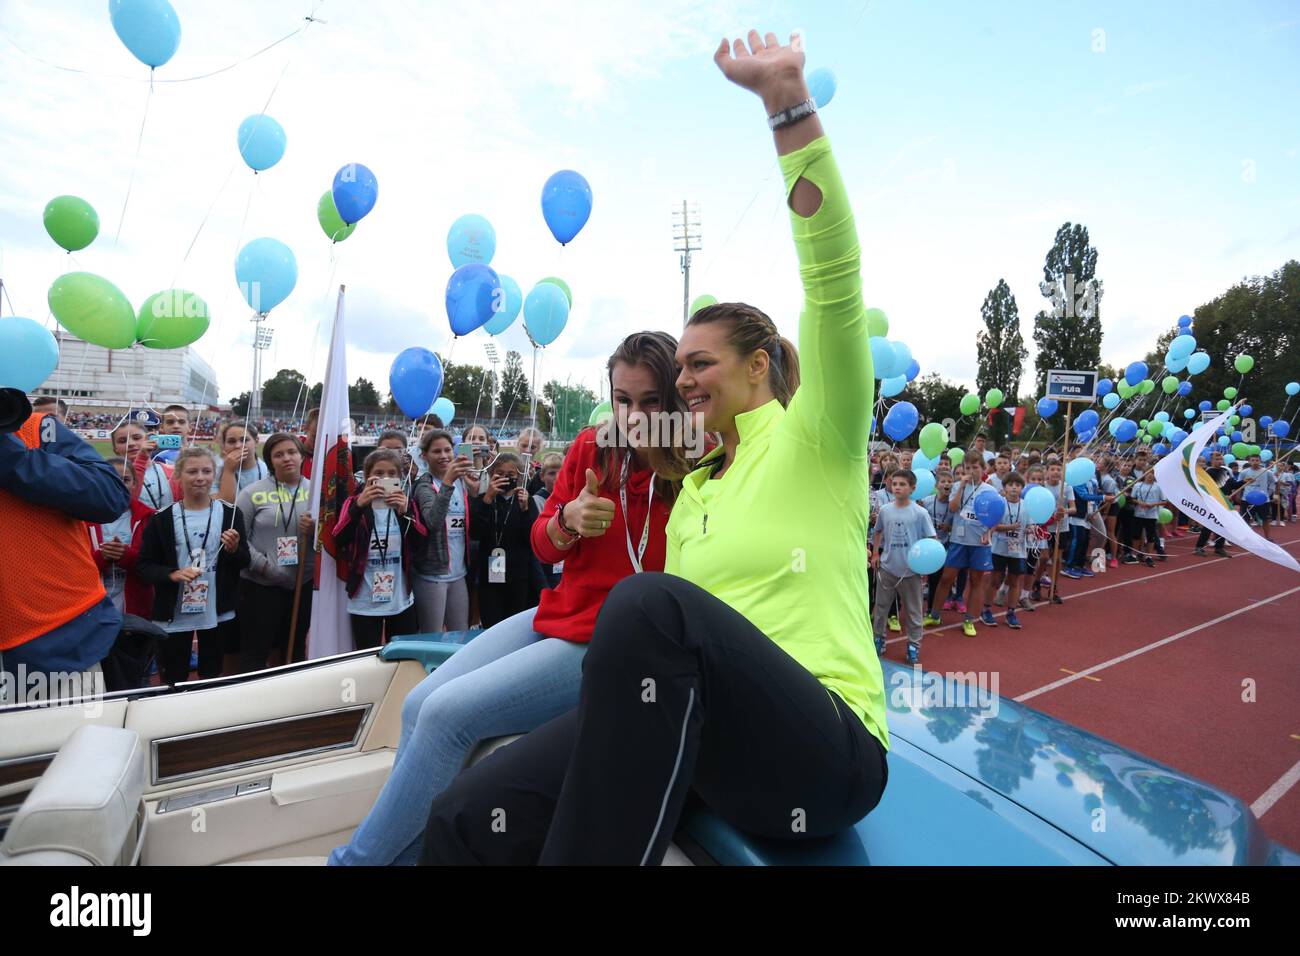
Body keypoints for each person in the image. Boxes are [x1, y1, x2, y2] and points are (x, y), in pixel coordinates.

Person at [420, 34, 888, 865]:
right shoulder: (697, 483)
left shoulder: (818, 438)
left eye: (699, 364)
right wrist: (566, 521)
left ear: (758, 365)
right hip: (707, 735)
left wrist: (788, 104)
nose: (686, 381)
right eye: (679, 370)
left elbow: (836, 278)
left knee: (648, 603)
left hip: (825, 758)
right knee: (466, 814)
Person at [330, 330, 688, 866]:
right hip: (562, 612)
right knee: (418, 704)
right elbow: (541, 540)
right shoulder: (592, 447)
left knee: (447, 716)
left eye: (650, 401)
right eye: (622, 399)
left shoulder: (696, 462)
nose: (633, 415)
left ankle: (354, 864)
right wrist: (568, 521)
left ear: (675, 401)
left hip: (614, 640)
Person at [0, 398, 131, 690]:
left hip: (58, 647)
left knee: (73, 735)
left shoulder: (36, 428)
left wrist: (12, 457)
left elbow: (109, 496)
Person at [136, 447, 250, 683]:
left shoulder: (230, 514)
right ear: (178, 476)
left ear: (214, 475)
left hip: (216, 609)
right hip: (173, 610)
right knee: (174, 675)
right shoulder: (162, 518)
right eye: (192, 471)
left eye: (207, 471)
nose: (200, 477)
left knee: (212, 674)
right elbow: (144, 566)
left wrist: (233, 549)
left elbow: (243, 561)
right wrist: (173, 574)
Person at [235, 433, 315, 672]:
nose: (286, 458)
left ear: (302, 456)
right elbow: (239, 538)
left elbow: (332, 537)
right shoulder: (251, 493)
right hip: (260, 585)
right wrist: (264, 567)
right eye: (278, 455)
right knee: (255, 652)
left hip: (302, 584)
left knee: (295, 648)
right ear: (270, 460)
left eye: (292, 452)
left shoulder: (317, 491)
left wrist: (315, 530)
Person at [334, 449, 426, 649]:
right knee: (366, 657)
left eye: (392, 474)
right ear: (367, 477)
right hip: (364, 600)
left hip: (400, 599)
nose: (386, 478)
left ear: (400, 477)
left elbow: (420, 542)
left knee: (402, 655)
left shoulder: (405, 503)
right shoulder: (354, 502)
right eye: (379, 473)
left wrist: (405, 514)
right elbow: (339, 538)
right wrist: (359, 506)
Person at [411, 429, 476, 633]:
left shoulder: (461, 481)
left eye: (448, 450)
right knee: (432, 635)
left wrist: (479, 475)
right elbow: (433, 522)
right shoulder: (424, 485)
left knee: (460, 632)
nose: (444, 456)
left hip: (458, 573)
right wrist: (447, 482)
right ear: (425, 456)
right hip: (432, 574)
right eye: (436, 451)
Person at [871, 469, 936, 664]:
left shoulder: (920, 513)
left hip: (910, 572)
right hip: (887, 568)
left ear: (913, 488)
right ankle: (878, 640)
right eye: (895, 483)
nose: (897, 487)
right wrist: (875, 553)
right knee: (881, 608)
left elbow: (931, 539)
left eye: (902, 484)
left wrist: (924, 564)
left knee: (914, 612)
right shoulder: (885, 510)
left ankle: (913, 646)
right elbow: (878, 531)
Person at [470, 452, 538, 627]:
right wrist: (487, 499)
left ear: (519, 477)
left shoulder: (526, 501)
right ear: (491, 475)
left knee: (513, 625)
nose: (505, 479)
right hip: (490, 575)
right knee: (491, 623)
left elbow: (531, 538)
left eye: (511, 475)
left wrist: (525, 511)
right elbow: (475, 533)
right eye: (499, 474)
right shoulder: (482, 500)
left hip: (518, 576)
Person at [932, 458, 997, 635]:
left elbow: (996, 516)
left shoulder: (990, 491)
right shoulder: (957, 487)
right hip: (959, 541)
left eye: (975, 467)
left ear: (983, 469)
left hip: (979, 543)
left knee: (976, 581)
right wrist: (960, 486)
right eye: (967, 467)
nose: (971, 470)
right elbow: (953, 508)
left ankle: (969, 620)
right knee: (946, 578)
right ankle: (935, 614)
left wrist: (989, 533)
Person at [86, 458, 155, 619]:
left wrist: (127, 556)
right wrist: (101, 557)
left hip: (136, 608)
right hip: (92, 609)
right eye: (111, 479)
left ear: (135, 484)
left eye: (125, 479)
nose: (119, 485)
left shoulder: (149, 517)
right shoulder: (82, 518)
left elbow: (154, 566)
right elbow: (74, 567)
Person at [987, 473, 1032, 630]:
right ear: (1004, 488)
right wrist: (1008, 528)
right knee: (995, 580)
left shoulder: (1027, 505)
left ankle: (1011, 612)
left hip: (1018, 550)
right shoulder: (999, 504)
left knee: (1014, 581)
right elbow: (992, 525)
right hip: (998, 549)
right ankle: (986, 609)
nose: (1014, 487)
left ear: (1022, 488)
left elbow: (1030, 525)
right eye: (1011, 485)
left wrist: (1031, 530)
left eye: (1018, 485)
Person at [111, 419, 176, 510]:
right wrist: (142, 458)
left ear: (150, 439)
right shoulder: (110, 476)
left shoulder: (170, 470)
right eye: (122, 441)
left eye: (137, 438)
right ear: (115, 449)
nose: (131, 443)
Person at [921, 468, 953, 627]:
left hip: (944, 547)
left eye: (949, 481)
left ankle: (932, 612)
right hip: (927, 546)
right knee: (920, 580)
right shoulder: (926, 501)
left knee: (936, 581)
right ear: (936, 485)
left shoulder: (954, 504)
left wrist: (949, 527)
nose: (946, 484)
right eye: (943, 481)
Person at [214, 419, 269, 502]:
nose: (238, 446)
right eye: (231, 441)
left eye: (244, 440)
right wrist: (228, 471)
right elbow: (223, 505)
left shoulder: (269, 471)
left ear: (256, 442)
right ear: (224, 445)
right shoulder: (214, 472)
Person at [533, 452, 565, 589]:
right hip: (545, 564)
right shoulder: (536, 501)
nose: (557, 478)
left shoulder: (570, 499)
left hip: (564, 563)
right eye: (551, 473)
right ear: (542, 476)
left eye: (561, 473)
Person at [1130, 465, 1167, 567]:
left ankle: (1148, 556)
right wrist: (1139, 502)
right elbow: (1132, 498)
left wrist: (1152, 504)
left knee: (1150, 536)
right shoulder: (1138, 485)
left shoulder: (1158, 487)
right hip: (1138, 513)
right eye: (1148, 472)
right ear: (1144, 474)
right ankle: (1134, 555)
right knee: (1136, 534)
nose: (1150, 475)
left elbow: (1164, 502)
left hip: (1151, 515)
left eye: (1152, 473)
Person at [1235, 453, 1275, 541]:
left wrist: (1269, 493)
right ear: (1249, 461)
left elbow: (1273, 483)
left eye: (1257, 460)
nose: (1255, 462)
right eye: (1252, 460)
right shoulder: (1244, 472)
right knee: (1245, 519)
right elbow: (1239, 484)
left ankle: (1268, 537)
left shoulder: (1267, 472)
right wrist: (1238, 496)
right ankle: (1245, 537)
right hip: (1247, 499)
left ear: (1260, 461)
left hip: (1263, 500)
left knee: (1266, 519)